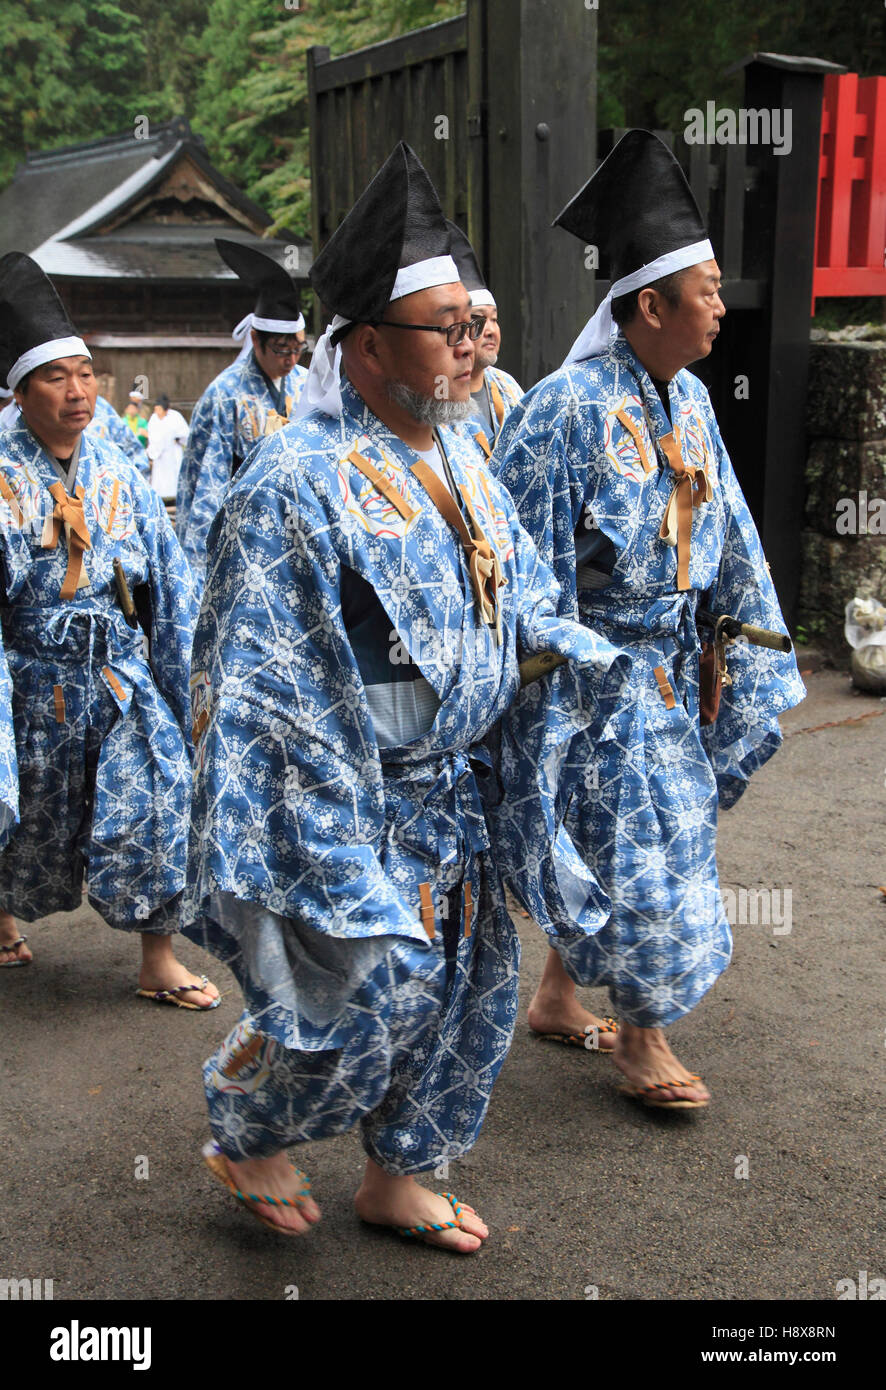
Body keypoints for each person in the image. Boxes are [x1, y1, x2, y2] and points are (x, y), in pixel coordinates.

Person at [183, 143, 628, 1249]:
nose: (476, 346)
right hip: (353, 797)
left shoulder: (465, 454)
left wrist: (586, 658)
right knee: (361, 996)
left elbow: (517, 593)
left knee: (468, 995)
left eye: (478, 324)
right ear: (368, 343)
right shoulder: (296, 480)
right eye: (450, 328)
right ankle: (247, 1124)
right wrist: (323, 831)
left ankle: (403, 1169)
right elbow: (258, 679)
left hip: (460, 797)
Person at [492, 132, 805, 1108]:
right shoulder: (558, 412)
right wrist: (575, 677)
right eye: (704, 288)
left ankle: (554, 995)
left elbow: (730, 536)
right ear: (649, 304)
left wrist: (738, 642)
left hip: (673, 666)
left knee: (647, 841)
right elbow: (516, 574)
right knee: (651, 844)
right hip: (594, 679)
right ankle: (642, 1037)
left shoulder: (696, 403)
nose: (721, 301)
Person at [0, 252, 219, 1009]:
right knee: (22, 815)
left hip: (119, 673)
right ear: (20, 391)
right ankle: (1, 916)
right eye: (56, 377)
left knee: (158, 796)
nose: (78, 390)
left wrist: (185, 680)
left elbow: (169, 579)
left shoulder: (119, 470)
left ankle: (157, 956)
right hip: (31, 683)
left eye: (86, 374)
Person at [176, 241, 309, 585]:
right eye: (282, 349)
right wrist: (200, 570)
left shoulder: (307, 384)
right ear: (255, 339)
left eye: (298, 348)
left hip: (299, 533)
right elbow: (206, 485)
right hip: (243, 536)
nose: (291, 359)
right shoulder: (224, 395)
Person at [446, 221, 523, 456]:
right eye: (478, 320)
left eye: (494, 319)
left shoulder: (507, 386)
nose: (490, 330)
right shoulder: (440, 392)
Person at [146, 394, 188, 502]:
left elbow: (185, 433)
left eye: (159, 409)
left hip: (173, 452)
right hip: (160, 455)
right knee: (160, 480)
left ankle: (175, 497)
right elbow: (152, 436)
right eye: (156, 409)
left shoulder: (175, 417)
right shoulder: (153, 419)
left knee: (174, 478)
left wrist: (177, 438)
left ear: (165, 409)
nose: (157, 412)